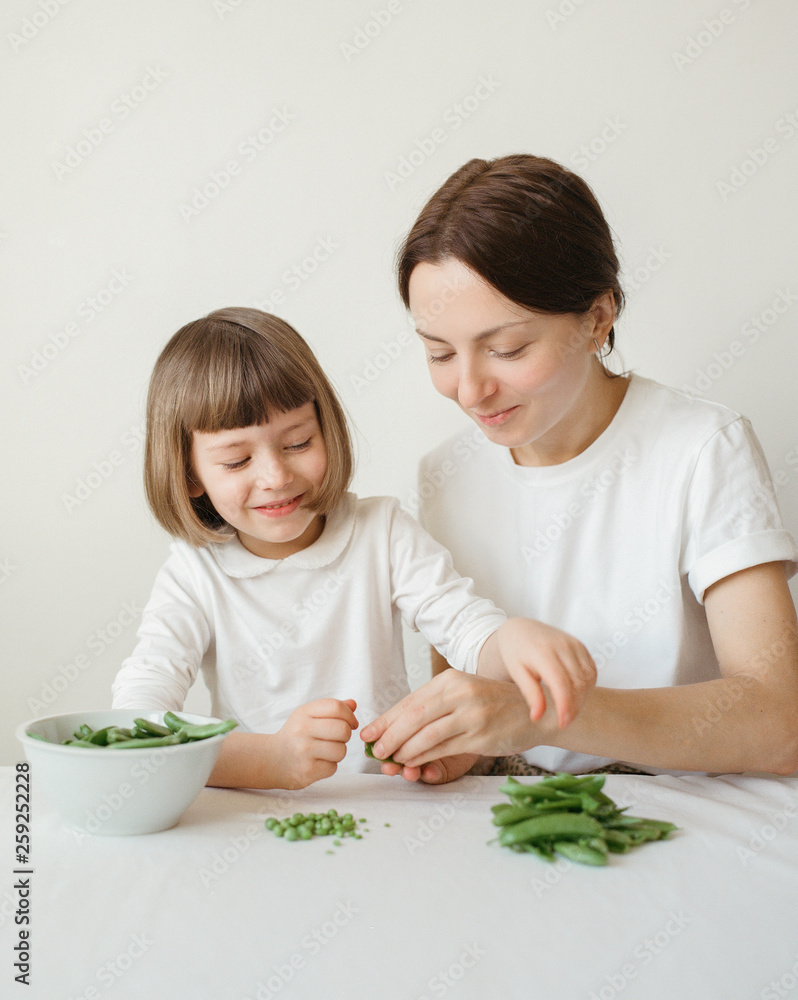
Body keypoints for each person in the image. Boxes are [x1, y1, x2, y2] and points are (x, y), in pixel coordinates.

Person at [360, 153, 798, 783]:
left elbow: (779, 722)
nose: (470, 389)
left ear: (596, 318)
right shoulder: (445, 476)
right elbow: (477, 704)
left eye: (506, 349)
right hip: (513, 817)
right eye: (439, 354)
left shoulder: (702, 448)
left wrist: (545, 717)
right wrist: (455, 741)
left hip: (676, 819)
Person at [111, 307, 596, 789]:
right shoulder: (194, 573)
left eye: (298, 442)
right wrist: (270, 760)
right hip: (249, 822)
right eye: (237, 461)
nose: (276, 477)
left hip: (385, 807)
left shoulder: (381, 531)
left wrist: (508, 642)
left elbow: (464, 628)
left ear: (326, 429)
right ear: (191, 474)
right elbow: (140, 720)